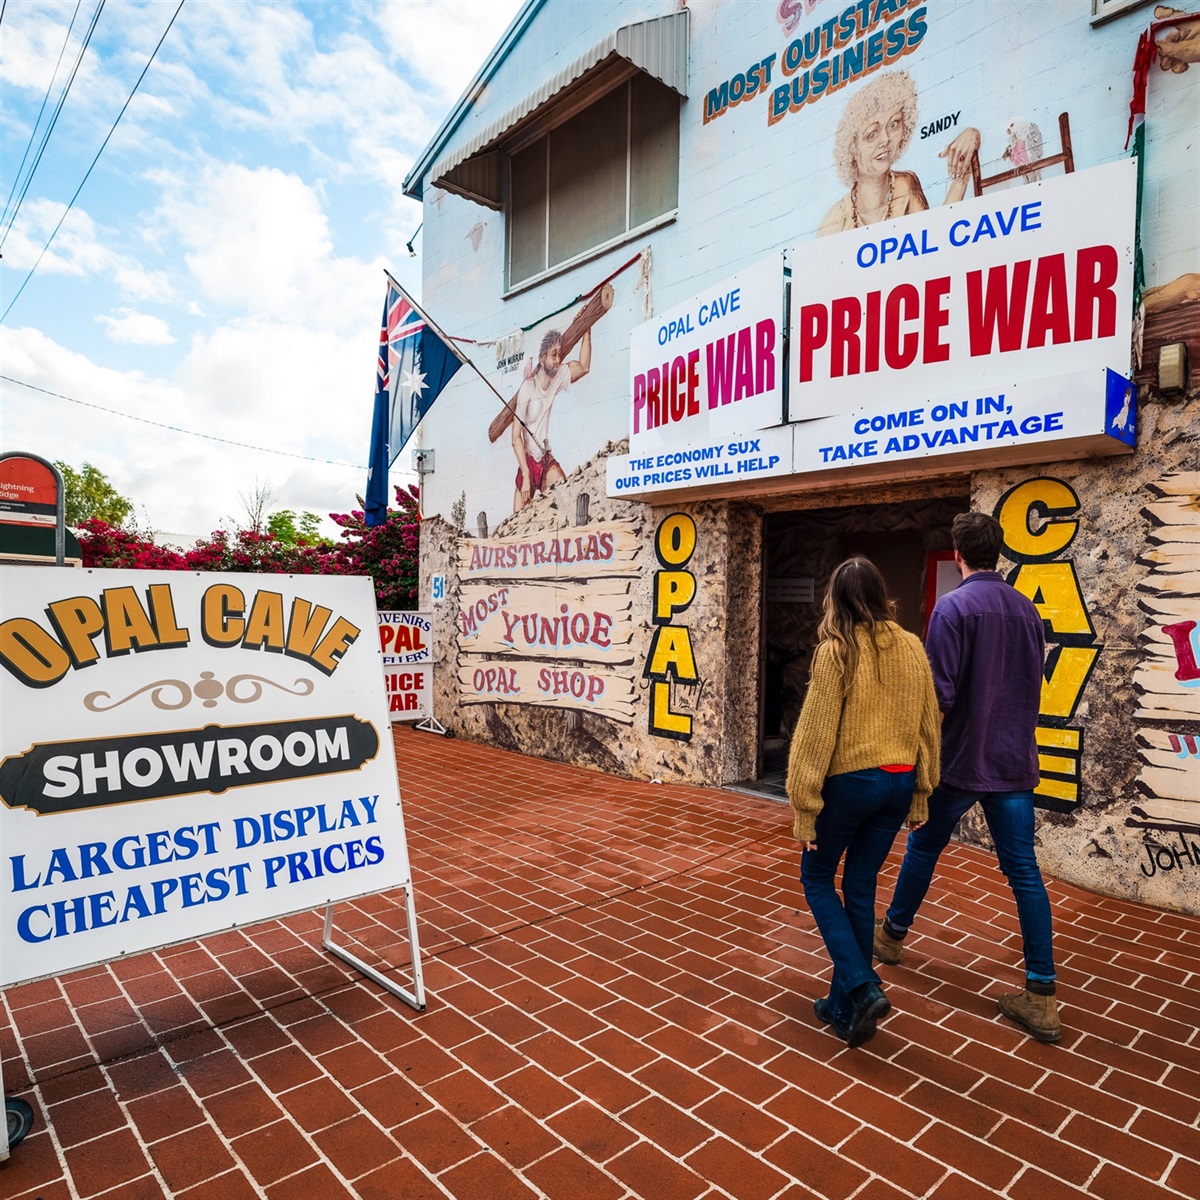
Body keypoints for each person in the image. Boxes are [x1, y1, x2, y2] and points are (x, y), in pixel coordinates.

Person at [874, 512, 1061, 1043]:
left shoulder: (952, 608)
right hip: (1013, 762)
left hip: (959, 762)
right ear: (997, 553)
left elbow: (941, 696)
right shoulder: (1027, 610)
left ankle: (891, 937)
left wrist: (917, 758)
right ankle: (1041, 994)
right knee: (1024, 872)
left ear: (958, 553)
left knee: (923, 847)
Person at [787, 557, 941, 1047]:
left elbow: (814, 734)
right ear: (880, 592)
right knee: (859, 886)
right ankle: (843, 1006)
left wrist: (804, 806)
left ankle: (861, 983)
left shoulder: (837, 651)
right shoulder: (913, 647)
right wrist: (922, 792)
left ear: (837, 596)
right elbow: (927, 726)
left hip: (850, 786)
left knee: (815, 877)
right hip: (897, 785)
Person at [817, 70, 981, 237]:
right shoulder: (833, 222)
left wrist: (970, 139)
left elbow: (935, 240)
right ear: (852, 148)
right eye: (872, 134)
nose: (886, 139)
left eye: (894, 125)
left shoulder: (906, 185)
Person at [511, 327, 590, 512]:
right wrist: (525, 474)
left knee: (566, 496)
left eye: (559, 355)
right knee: (516, 520)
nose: (557, 360)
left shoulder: (559, 374)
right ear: (542, 358)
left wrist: (586, 330)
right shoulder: (528, 388)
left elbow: (584, 367)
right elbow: (515, 437)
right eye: (553, 355)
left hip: (545, 458)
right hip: (528, 461)